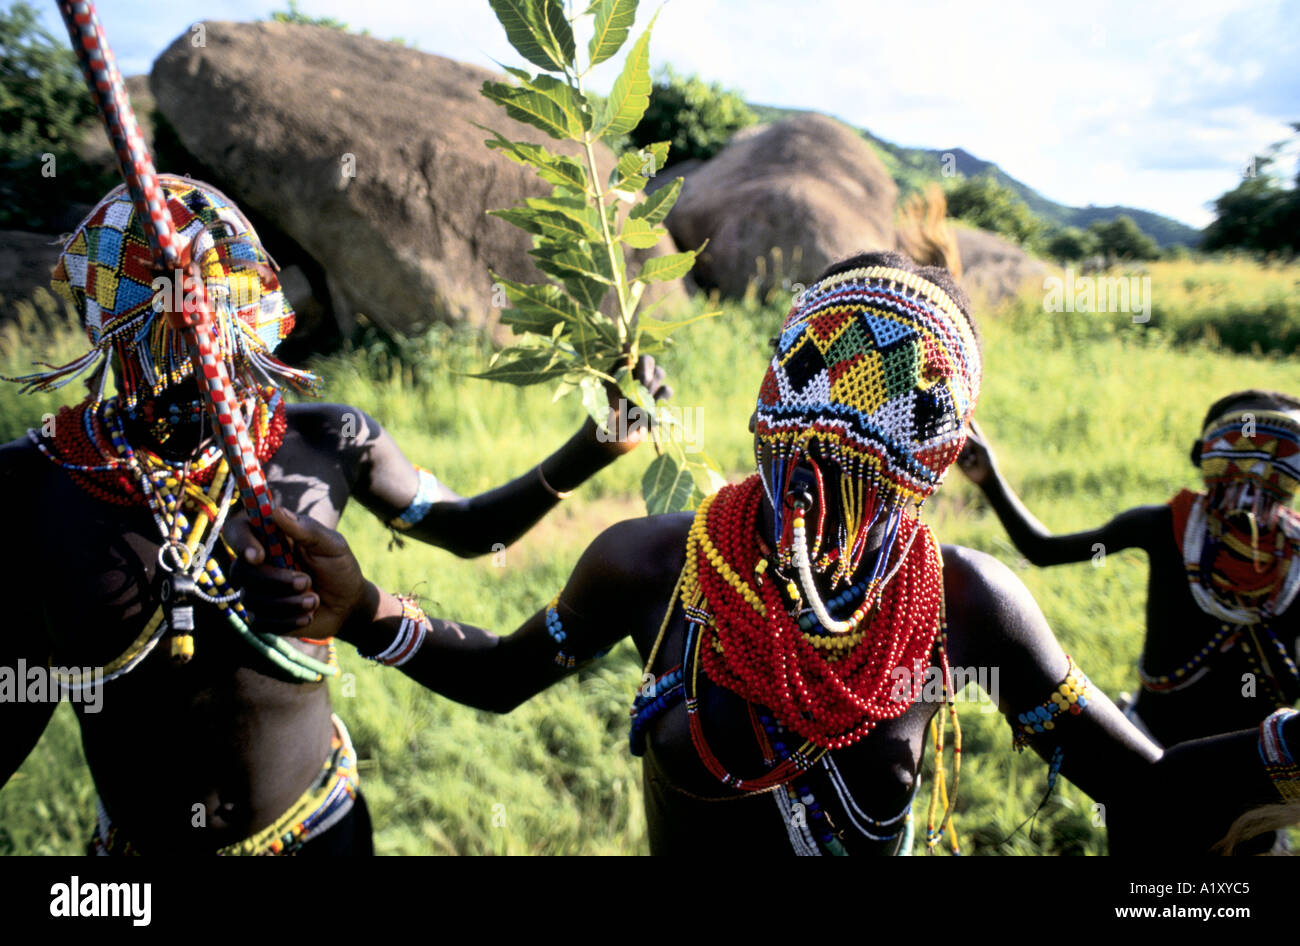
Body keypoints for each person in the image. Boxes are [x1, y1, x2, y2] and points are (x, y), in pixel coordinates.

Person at [245, 251, 1300, 855]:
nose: (833, 439)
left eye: (885, 407)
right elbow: (504, 676)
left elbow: (1142, 790)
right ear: (768, 389)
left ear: (938, 446)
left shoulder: (966, 606)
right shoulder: (652, 567)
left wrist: (1280, 750)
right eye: (812, 376)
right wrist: (368, 608)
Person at [0, 175, 667, 855]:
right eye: (173, 347)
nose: (211, 370)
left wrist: (597, 446)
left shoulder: (328, 443)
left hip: (323, 834)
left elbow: (472, 532)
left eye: (233, 336)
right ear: (112, 337)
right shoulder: (37, 482)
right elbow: (16, 690)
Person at [954, 392, 1300, 749]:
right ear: (1205, 453)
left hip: (1260, 764)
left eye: (1283, 451)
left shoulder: (1295, 557)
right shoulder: (1165, 526)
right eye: (1246, 445)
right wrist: (990, 480)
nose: (1260, 468)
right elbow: (1043, 550)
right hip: (1152, 750)